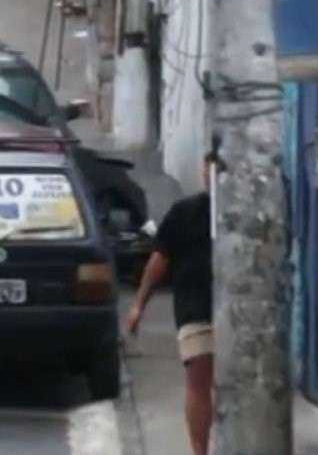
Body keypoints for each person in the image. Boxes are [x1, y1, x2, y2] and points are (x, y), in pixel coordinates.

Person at [124, 157, 213, 455]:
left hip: (235, 313)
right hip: (197, 308)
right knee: (200, 380)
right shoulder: (186, 212)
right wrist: (138, 305)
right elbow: (159, 261)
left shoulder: (246, 213)